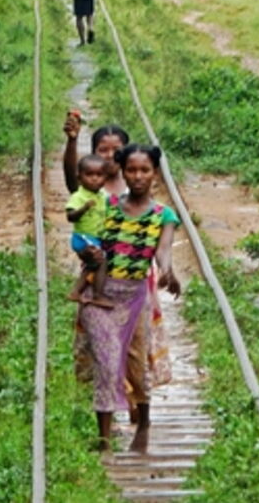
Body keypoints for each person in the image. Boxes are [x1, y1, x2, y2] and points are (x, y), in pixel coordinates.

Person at [78, 144, 181, 454]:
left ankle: (144, 422)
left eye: (144, 170)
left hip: (135, 297)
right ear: (122, 173)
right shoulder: (106, 205)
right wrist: (87, 251)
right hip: (99, 296)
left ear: (155, 173)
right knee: (108, 361)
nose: (138, 176)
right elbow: (75, 190)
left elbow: (163, 249)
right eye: (132, 170)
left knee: (137, 364)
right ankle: (104, 441)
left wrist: (167, 270)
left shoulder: (164, 215)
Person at [66, 155, 112, 308]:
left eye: (99, 175)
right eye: (89, 174)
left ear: (105, 178)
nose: (94, 179)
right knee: (102, 260)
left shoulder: (103, 196)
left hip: (95, 238)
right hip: (83, 237)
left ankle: (76, 292)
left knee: (91, 265)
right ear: (79, 177)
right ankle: (98, 295)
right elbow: (70, 217)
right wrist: (84, 208)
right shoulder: (78, 196)